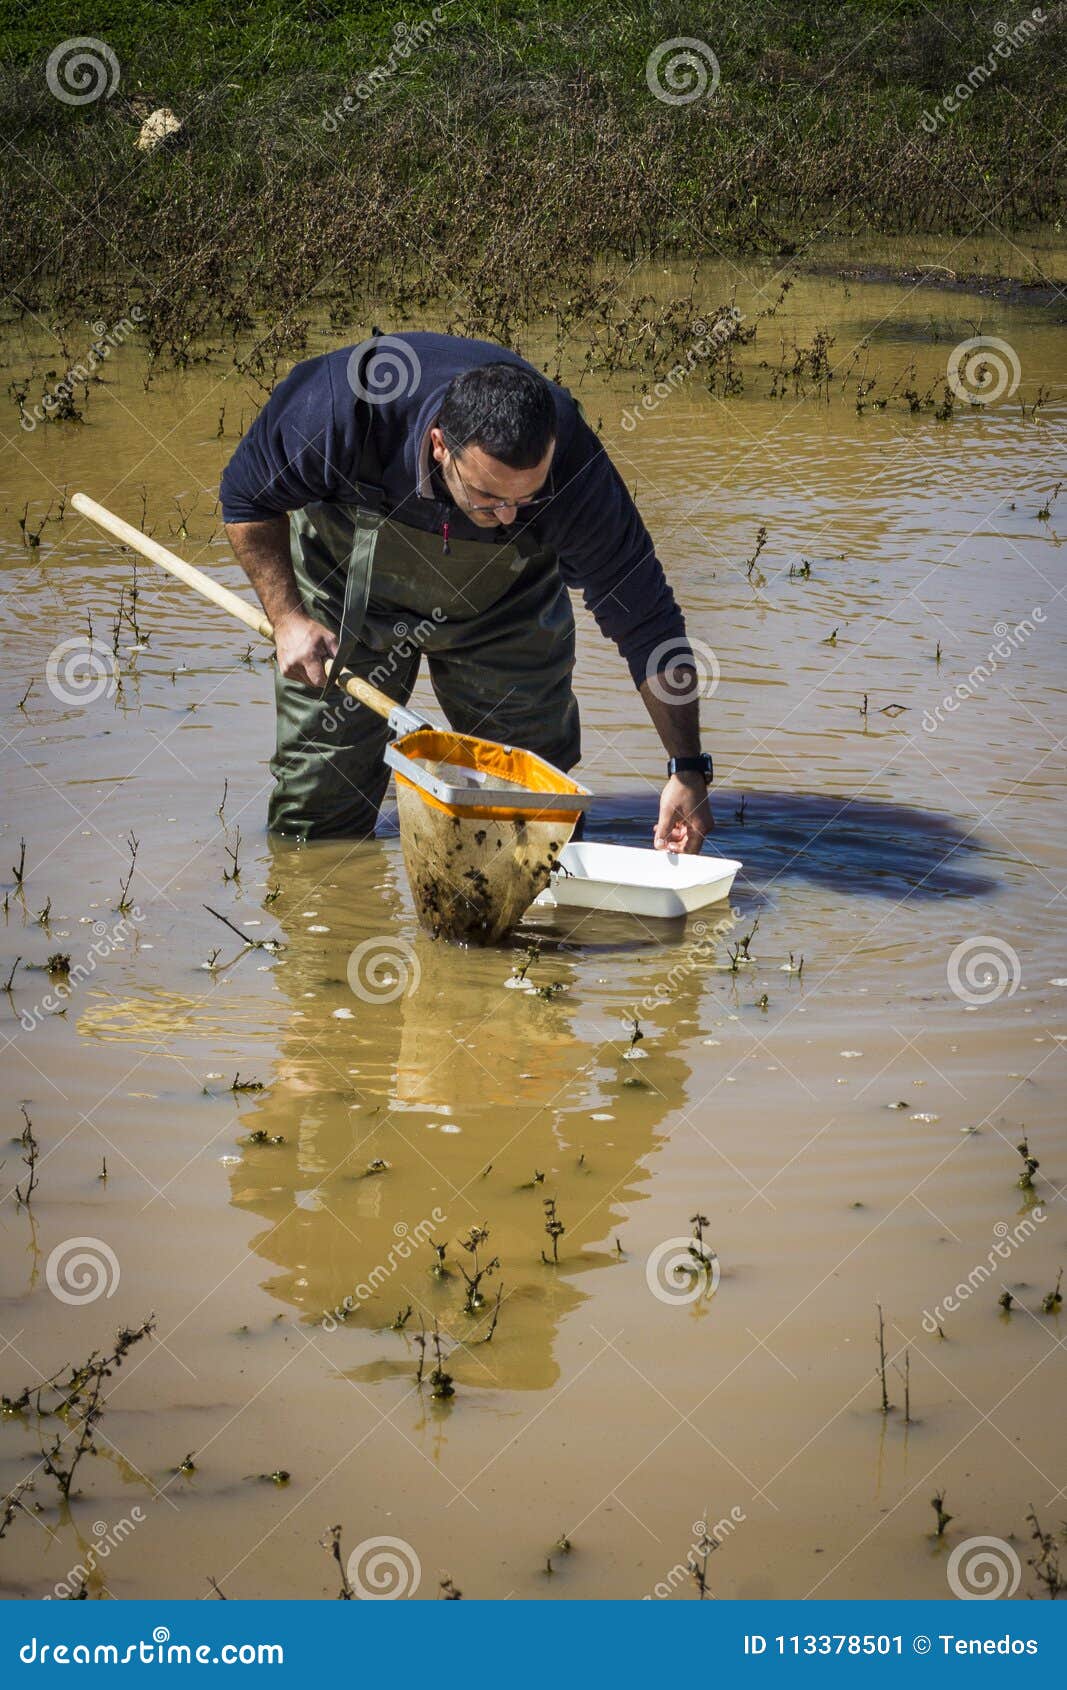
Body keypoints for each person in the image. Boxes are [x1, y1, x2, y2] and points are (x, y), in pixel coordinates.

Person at [219, 330, 715, 847]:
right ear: (439, 446)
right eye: (487, 495)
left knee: (535, 813)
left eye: (526, 499)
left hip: (504, 611)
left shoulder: (573, 465)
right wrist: (288, 619)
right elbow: (245, 499)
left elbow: (647, 618)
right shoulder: (342, 405)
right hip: (345, 595)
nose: (505, 514)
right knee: (319, 801)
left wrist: (686, 768)